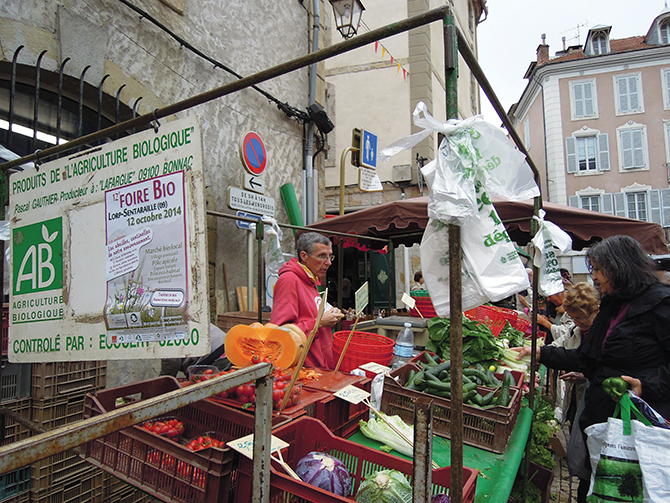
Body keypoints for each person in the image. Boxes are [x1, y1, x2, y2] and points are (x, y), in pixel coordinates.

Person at [515, 235, 670, 502]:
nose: (594, 277)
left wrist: (645, 384)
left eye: (598, 270)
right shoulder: (614, 304)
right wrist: (539, 352)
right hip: (604, 416)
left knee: (632, 489)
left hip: (641, 421)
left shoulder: (661, 303)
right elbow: (587, 357)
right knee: (596, 486)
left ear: (619, 267)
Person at [271, 232, 344, 369]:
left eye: (330, 256)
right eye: (322, 256)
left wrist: (330, 317)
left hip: (321, 366)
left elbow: (310, 315)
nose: (328, 263)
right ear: (304, 256)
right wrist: (320, 322)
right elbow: (281, 333)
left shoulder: (311, 279)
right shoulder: (289, 280)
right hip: (303, 369)